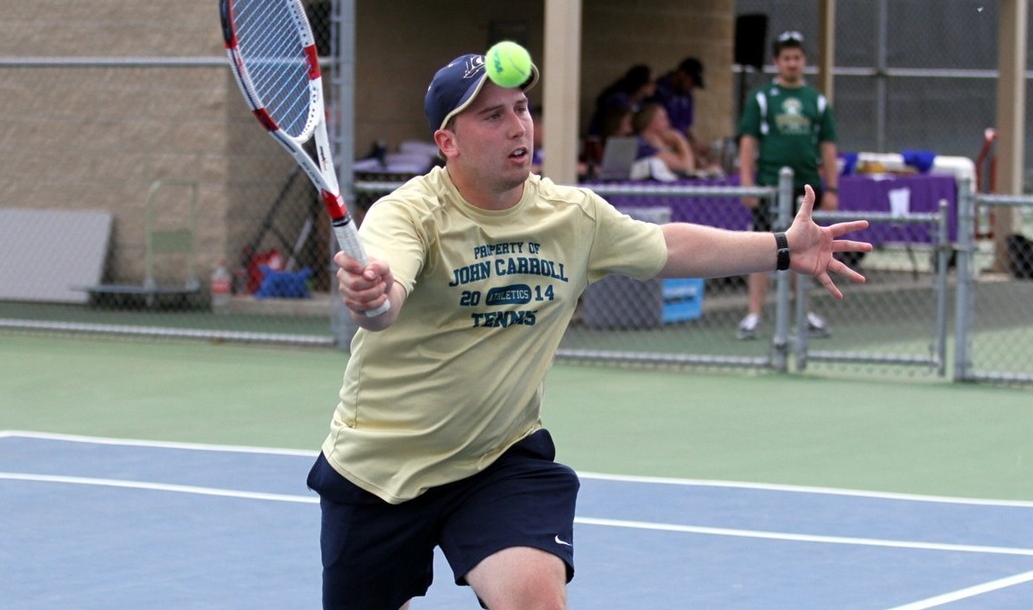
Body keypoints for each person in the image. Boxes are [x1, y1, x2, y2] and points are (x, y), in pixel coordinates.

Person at [313, 50, 870, 609]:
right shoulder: (408, 213)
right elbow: (385, 301)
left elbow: (667, 245)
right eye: (491, 116)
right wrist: (374, 298)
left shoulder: (571, 215)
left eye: (521, 108)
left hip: (495, 461)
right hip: (379, 473)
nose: (518, 127)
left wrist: (781, 248)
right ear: (448, 142)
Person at [736, 30, 840, 340]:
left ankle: (803, 313)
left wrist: (832, 187)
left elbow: (828, 145)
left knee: (804, 250)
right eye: (786, 58)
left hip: (806, 189)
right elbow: (748, 140)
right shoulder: (762, 98)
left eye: (797, 58)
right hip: (770, 186)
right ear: (776, 62)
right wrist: (746, 183)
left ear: (803, 61)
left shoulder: (817, 102)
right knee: (760, 249)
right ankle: (754, 314)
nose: (792, 63)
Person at [632, 100, 695, 174]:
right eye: (663, 118)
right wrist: (679, 139)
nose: (668, 123)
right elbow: (686, 167)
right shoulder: (641, 145)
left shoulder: (651, 143)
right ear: (651, 122)